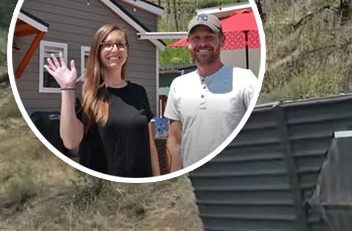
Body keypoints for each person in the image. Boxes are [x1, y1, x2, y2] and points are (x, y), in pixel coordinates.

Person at [44, 24, 161, 178]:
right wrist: (67, 89)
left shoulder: (139, 92)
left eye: (120, 44)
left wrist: (158, 179)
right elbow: (70, 142)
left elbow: (149, 145)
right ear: (97, 51)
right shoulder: (84, 92)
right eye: (107, 45)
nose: (115, 49)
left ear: (127, 51)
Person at [164, 12, 260, 172]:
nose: (202, 44)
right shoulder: (178, 85)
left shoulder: (246, 80)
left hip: (238, 178)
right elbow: (174, 141)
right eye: (196, 38)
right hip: (194, 182)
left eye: (209, 37)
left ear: (222, 40)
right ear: (188, 43)